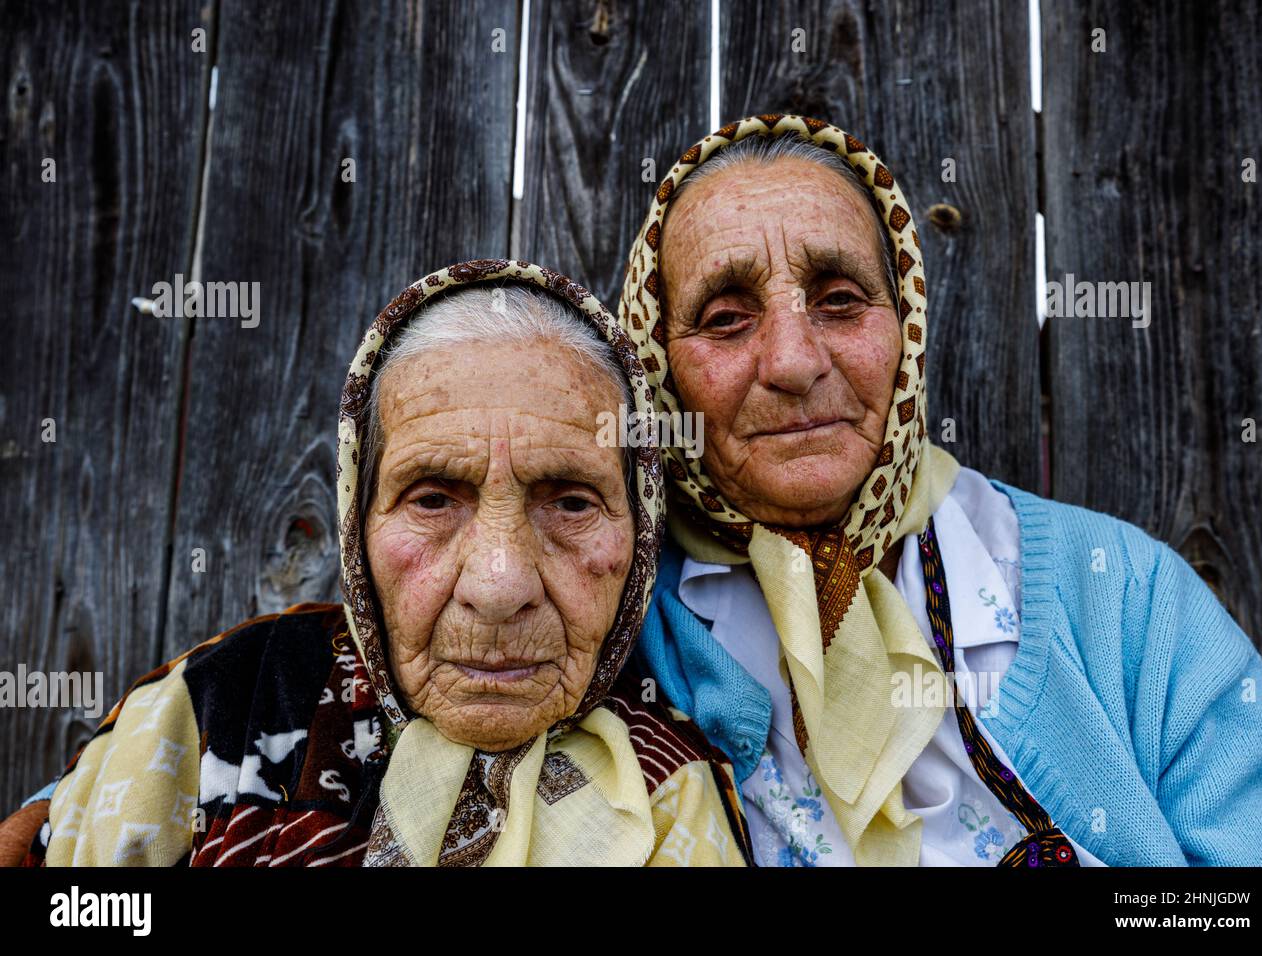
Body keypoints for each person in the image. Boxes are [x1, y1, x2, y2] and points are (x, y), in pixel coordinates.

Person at [618, 115, 1262, 866]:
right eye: (725, 319)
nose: (792, 360)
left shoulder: (1128, 598)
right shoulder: (617, 626)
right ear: (657, 364)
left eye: (840, 300)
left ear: (905, 326)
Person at [8, 259, 750, 867]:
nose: (499, 585)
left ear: (640, 527)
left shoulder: (669, 789)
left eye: (571, 503)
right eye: (433, 499)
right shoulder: (221, 705)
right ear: (357, 526)